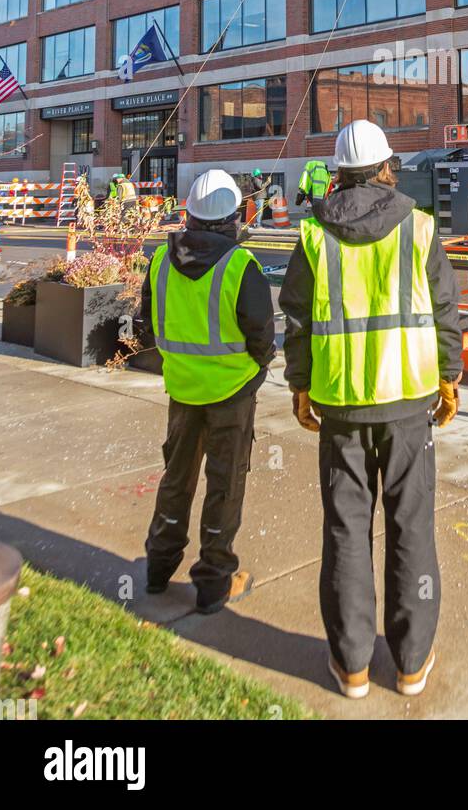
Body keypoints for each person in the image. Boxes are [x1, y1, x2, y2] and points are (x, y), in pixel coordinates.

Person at [279, 119, 462, 700]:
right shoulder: (420, 228)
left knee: (345, 533)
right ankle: (410, 664)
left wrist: (300, 386)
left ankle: (353, 665)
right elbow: (444, 311)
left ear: (338, 171)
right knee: (412, 530)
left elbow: (299, 323)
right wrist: (450, 377)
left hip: (340, 408)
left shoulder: (313, 235)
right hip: (410, 405)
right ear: (387, 167)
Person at [138, 169, 276, 614]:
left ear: (190, 216)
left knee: (176, 480)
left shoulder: (160, 261)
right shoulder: (241, 266)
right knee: (224, 485)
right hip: (232, 395)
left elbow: (148, 325)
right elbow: (262, 338)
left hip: (182, 391)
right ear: (233, 217)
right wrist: (254, 371)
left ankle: (158, 569)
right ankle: (214, 582)